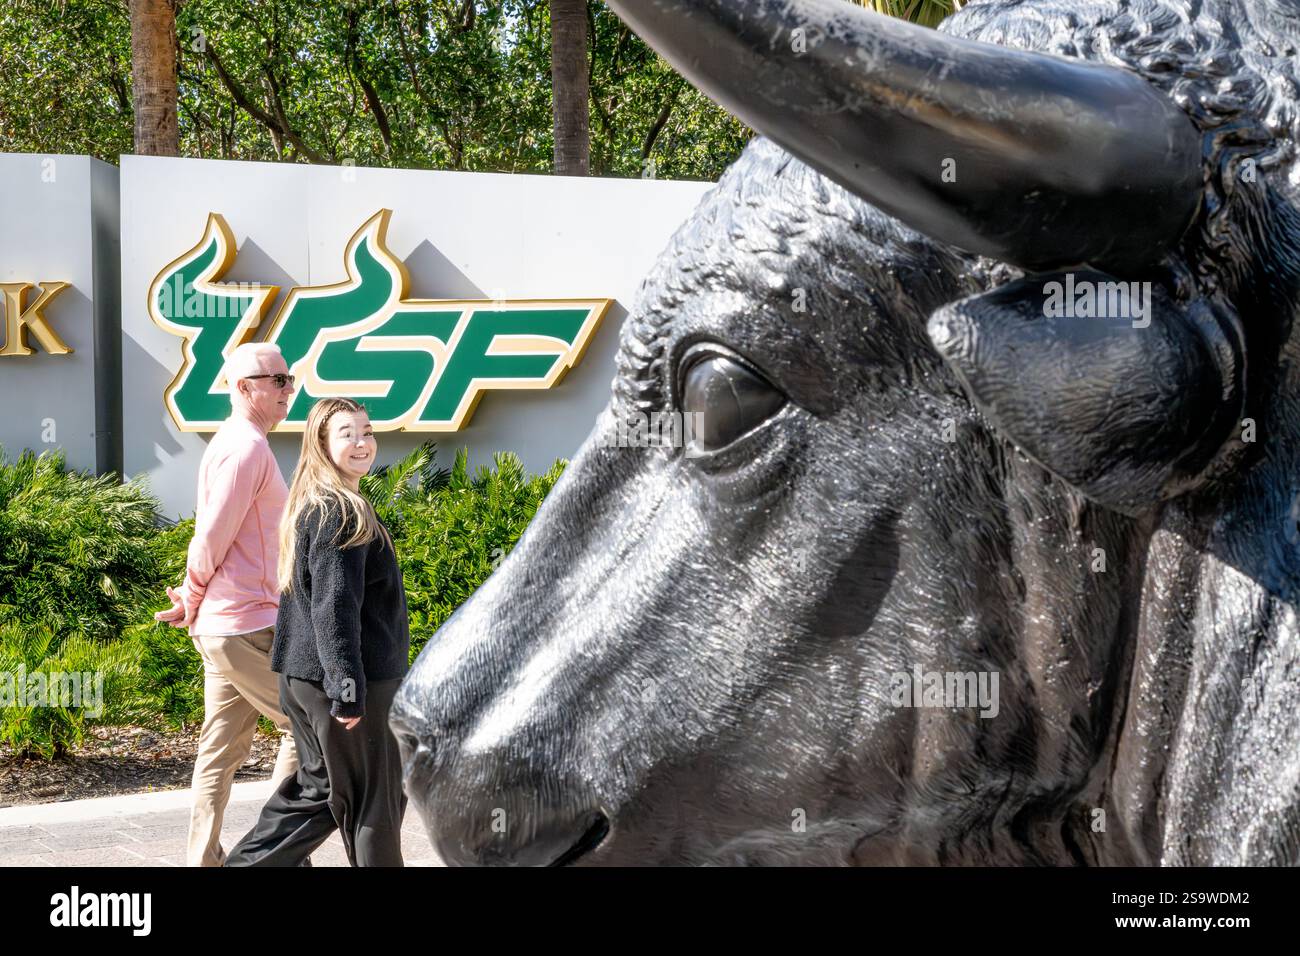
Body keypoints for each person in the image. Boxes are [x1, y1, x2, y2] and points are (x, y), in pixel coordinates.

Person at [224, 397, 411, 867]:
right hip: (343, 683)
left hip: (305, 679)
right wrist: (347, 690)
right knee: (374, 801)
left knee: (319, 792)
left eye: (367, 432)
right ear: (322, 444)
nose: (362, 442)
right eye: (347, 434)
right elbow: (335, 607)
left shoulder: (319, 504)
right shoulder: (341, 512)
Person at [154, 342, 301, 867]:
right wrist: (192, 595)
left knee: (219, 751)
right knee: (309, 727)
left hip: (226, 626)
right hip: (244, 626)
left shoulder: (237, 442)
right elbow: (211, 536)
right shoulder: (247, 449)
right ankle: (276, 851)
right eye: (277, 380)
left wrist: (194, 601)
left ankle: (205, 861)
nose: (288, 389)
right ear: (244, 388)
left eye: (289, 378)